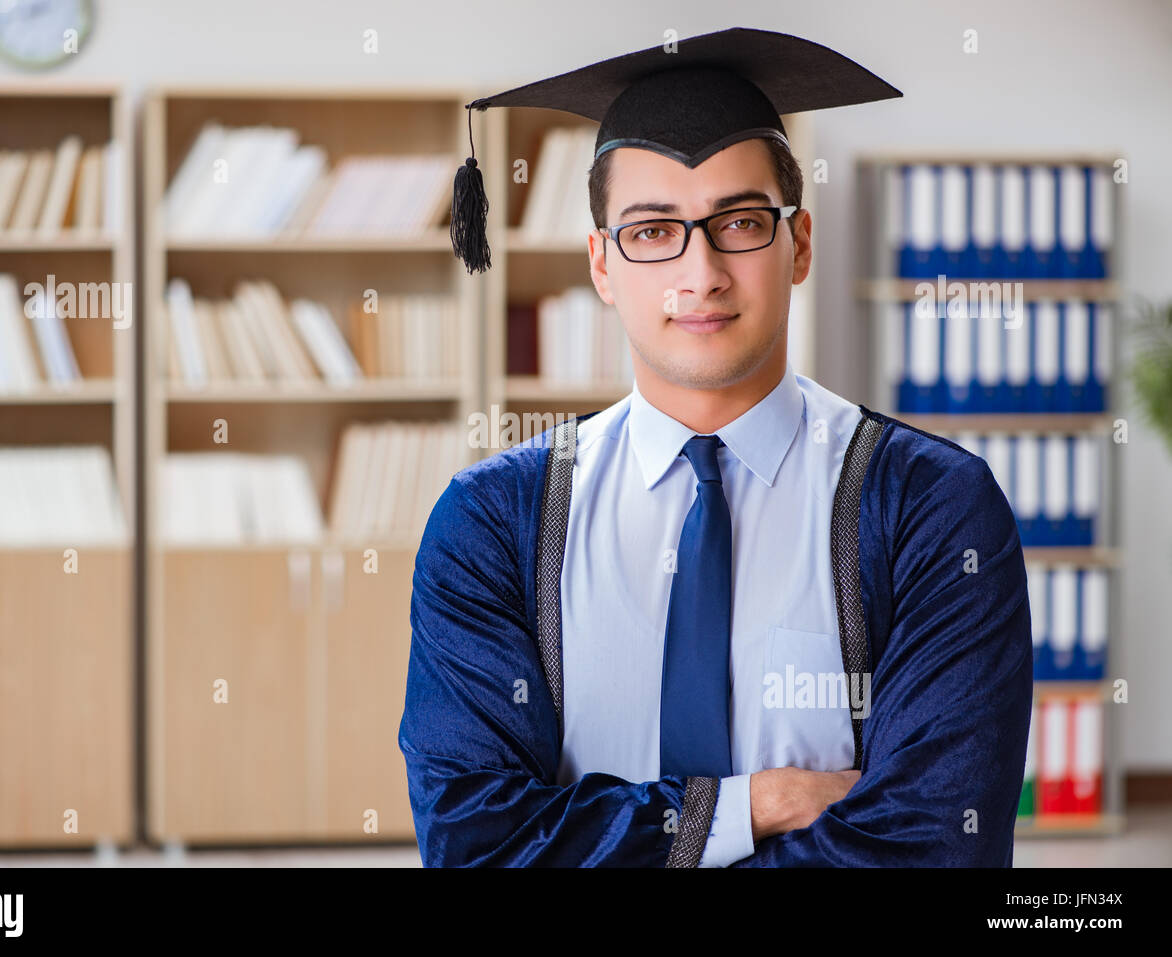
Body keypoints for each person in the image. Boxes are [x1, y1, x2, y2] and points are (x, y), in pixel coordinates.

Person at [400, 26, 1032, 867]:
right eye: (654, 231)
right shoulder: (491, 525)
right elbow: (476, 841)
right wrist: (757, 804)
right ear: (600, 264)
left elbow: (931, 848)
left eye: (738, 221)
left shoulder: (930, 507)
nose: (701, 273)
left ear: (798, 243)